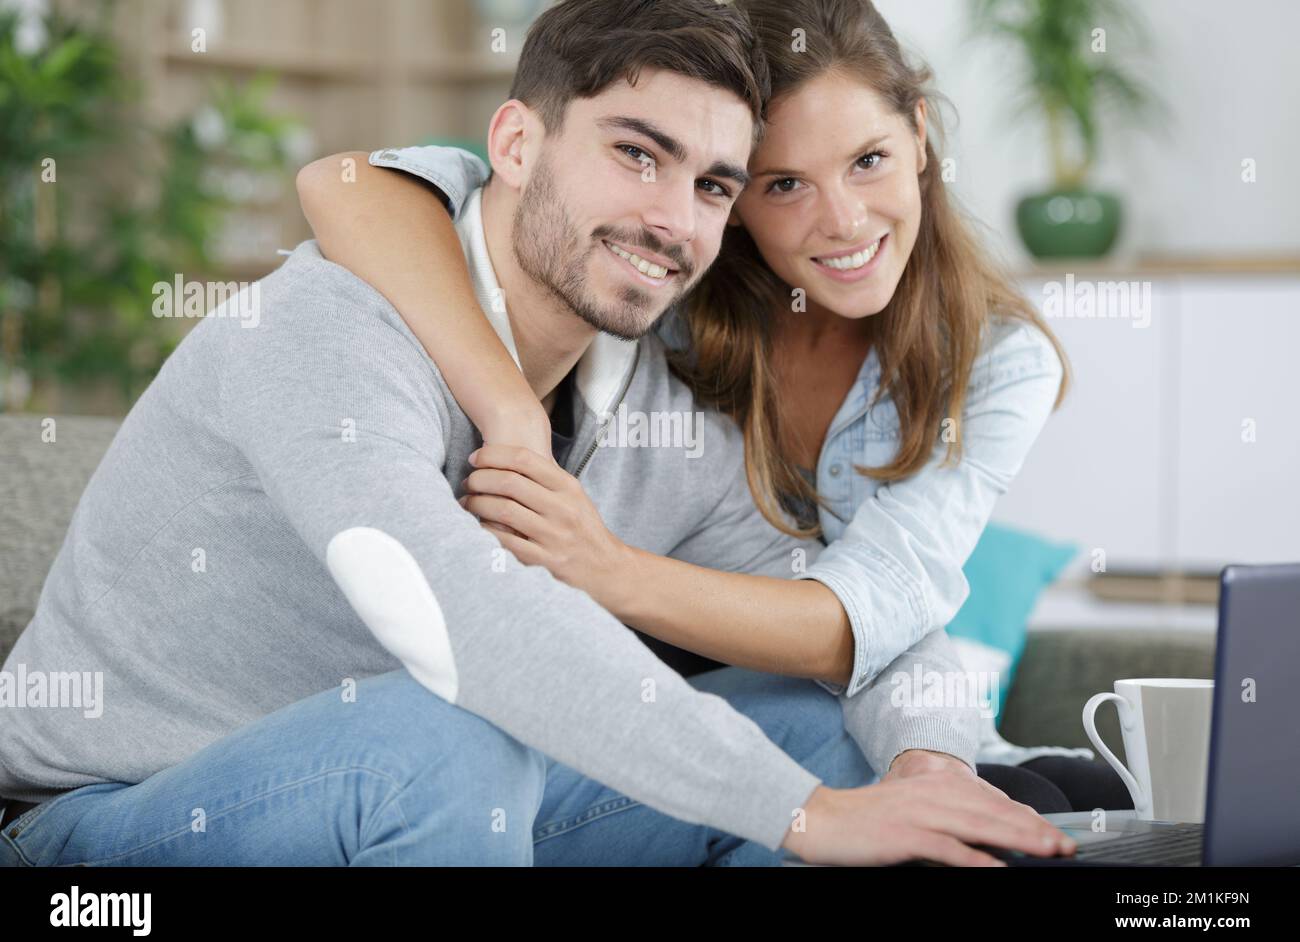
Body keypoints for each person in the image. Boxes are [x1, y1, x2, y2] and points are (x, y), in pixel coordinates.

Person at [0, 0, 1073, 867]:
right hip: (105, 818)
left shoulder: (652, 404)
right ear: (512, 142)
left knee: (823, 729)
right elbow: (455, 619)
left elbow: (870, 621)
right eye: (635, 154)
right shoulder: (326, 327)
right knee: (452, 734)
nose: (672, 219)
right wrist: (804, 815)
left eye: (711, 186)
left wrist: (932, 764)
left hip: (442, 787)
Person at [296, 0, 1130, 814]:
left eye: (868, 159)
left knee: (1083, 800)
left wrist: (608, 567)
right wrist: (512, 411)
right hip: (668, 694)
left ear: (918, 133)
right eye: (784, 184)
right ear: (733, 195)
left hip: (852, 695)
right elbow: (347, 185)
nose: (842, 220)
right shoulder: (655, 289)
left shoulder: (992, 361)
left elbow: (878, 616)